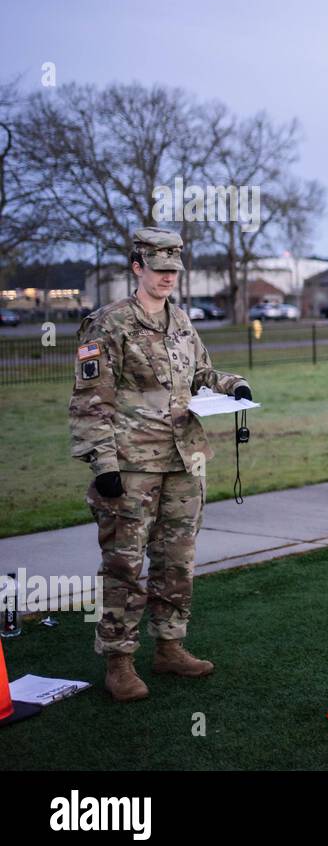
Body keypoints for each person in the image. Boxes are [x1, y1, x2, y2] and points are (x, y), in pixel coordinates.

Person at [69, 227, 251, 702]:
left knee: (177, 560)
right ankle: (119, 661)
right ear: (137, 267)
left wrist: (231, 384)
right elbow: (90, 400)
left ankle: (170, 646)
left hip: (184, 459)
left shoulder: (182, 320)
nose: (168, 277)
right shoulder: (108, 324)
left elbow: (200, 373)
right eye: (159, 269)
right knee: (124, 563)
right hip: (131, 464)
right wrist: (103, 462)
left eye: (174, 270)